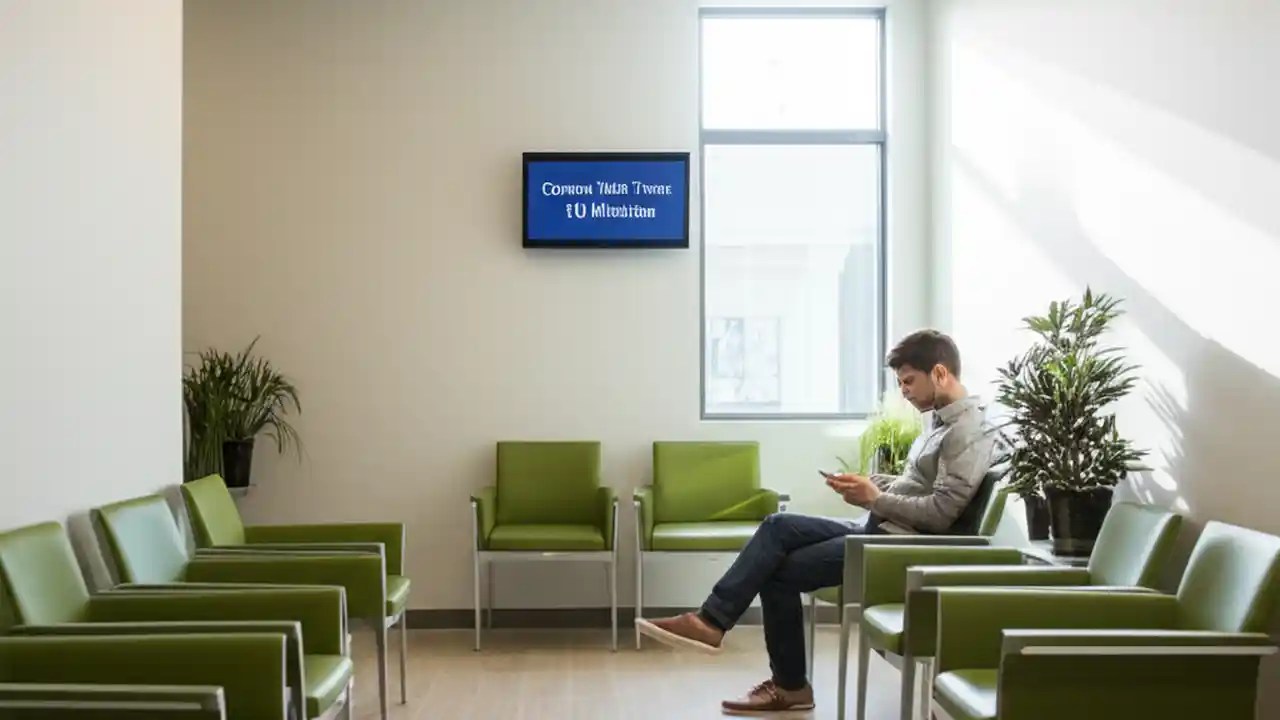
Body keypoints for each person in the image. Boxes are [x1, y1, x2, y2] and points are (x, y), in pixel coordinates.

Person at [635, 329, 1002, 715]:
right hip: (879, 528)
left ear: (940, 373)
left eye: (908, 381)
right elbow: (920, 486)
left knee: (775, 571)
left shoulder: (966, 430)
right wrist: (872, 483)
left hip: (897, 547)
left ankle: (783, 681)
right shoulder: (939, 421)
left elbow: (942, 514)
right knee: (778, 526)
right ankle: (711, 623)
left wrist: (876, 498)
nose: (904, 392)